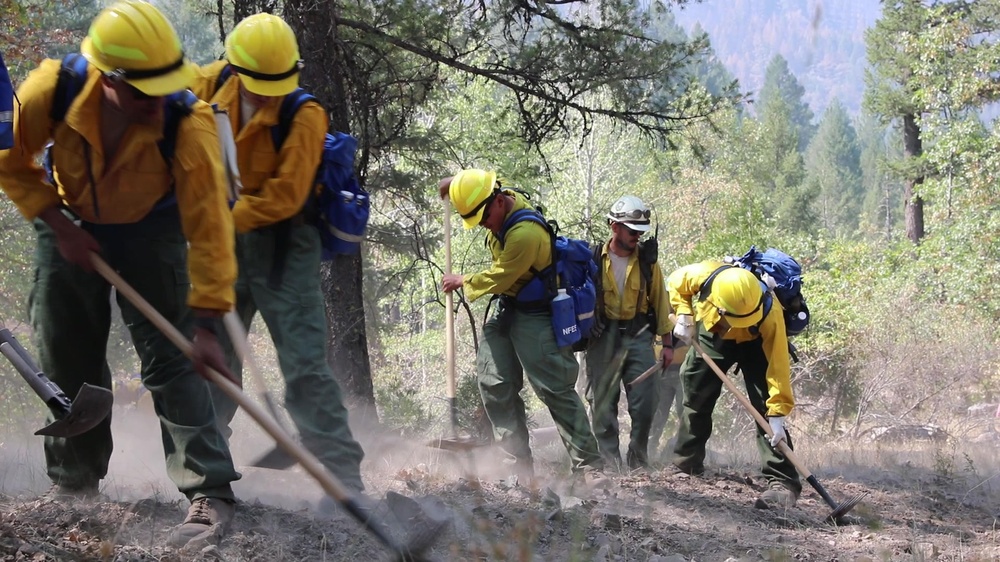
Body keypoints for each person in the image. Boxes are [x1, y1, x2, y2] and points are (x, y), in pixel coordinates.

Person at [0, 0, 241, 546]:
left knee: (176, 359)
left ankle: (210, 492)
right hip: (67, 219)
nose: (157, 105)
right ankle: (75, 483)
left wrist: (205, 322)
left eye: (166, 88)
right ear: (110, 80)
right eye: (143, 93)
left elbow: (208, 230)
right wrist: (58, 225)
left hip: (151, 231)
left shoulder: (190, 123)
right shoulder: (49, 93)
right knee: (66, 352)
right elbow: (11, 162)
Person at [189, 13, 365, 495]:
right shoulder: (207, 84)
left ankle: (342, 478)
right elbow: (162, 91)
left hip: (286, 245)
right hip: (222, 245)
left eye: (278, 84)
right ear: (234, 67)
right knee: (215, 357)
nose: (269, 93)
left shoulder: (305, 115)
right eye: (258, 84)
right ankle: (209, 480)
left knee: (305, 364)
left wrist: (222, 216)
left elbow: (286, 197)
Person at [439, 169, 604, 483]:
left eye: (485, 218)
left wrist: (464, 281)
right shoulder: (498, 197)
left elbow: (502, 275)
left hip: (537, 313)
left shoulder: (525, 234)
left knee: (554, 387)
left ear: (499, 202)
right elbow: (478, 184)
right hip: (510, 307)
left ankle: (590, 467)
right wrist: (454, 186)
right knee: (494, 379)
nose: (484, 225)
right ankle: (517, 467)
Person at [667, 260, 802, 507]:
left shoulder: (771, 316)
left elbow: (778, 367)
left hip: (756, 341)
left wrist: (778, 415)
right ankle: (686, 462)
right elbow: (676, 282)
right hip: (713, 332)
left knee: (765, 406)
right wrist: (685, 316)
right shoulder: (704, 275)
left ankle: (783, 482)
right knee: (696, 390)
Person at [585, 195, 672, 471]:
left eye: (640, 232)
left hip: (639, 336)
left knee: (647, 401)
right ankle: (610, 463)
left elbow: (660, 301)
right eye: (632, 230)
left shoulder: (648, 263)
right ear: (614, 227)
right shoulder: (592, 258)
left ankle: (638, 459)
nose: (637, 236)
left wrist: (667, 344)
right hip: (602, 338)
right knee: (603, 403)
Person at [648, 338, 687, 462]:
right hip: (661, 372)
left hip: (684, 372)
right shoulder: (660, 324)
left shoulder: (687, 320)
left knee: (685, 411)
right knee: (657, 414)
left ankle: (682, 450)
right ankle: (649, 451)